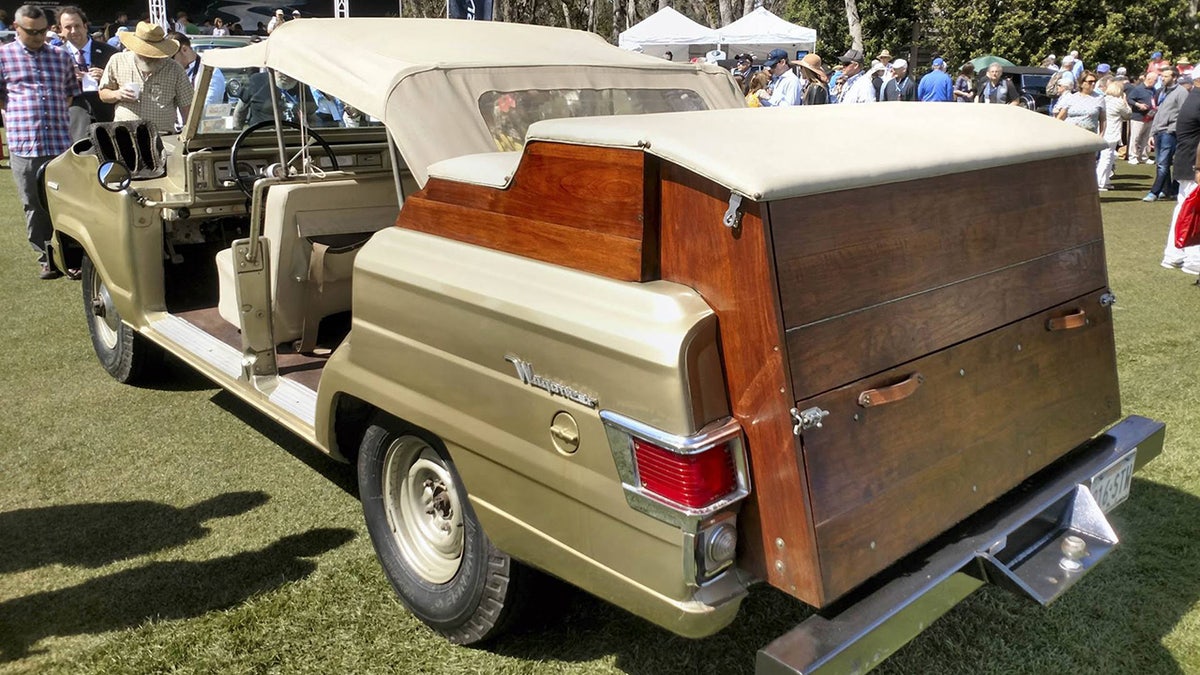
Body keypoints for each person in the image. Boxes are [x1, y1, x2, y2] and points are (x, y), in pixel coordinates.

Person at [0, 5, 81, 279]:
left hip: (59, 143)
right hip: (25, 143)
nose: (37, 36)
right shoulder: (3, 56)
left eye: (42, 31)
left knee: (65, 202)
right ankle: (46, 258)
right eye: (30, 31)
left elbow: (70, 94)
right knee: (33, 204)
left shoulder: (61, 56)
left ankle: (71, 256)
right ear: (16, 27)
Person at [98, 22, 193, 134]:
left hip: (162, 137)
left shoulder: (175, 68)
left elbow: (187, 106)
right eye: (144, 53)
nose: (149, 57)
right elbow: (103, 93)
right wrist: (118, 94)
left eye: (154, 54)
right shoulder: (117, 60)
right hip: (124, 135)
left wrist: (188, 135)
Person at [58, 6, 118, 141]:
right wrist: (67, 79)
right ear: (61, 30)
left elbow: (123, 84)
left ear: (85, 26)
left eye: (77, 26)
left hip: (108, 120)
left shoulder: (110, 52)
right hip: (73, 123)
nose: (73, 31)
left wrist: (105, 77)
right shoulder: (55, 57)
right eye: (68, 27)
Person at [1162, 82, 1200, 273]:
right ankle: (1193, 259)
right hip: (1194, 165)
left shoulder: (1193, 98)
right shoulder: (1197, 100)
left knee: (1184, 208)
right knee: (1193, 211)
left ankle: (1175, 254)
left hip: (1188, 162)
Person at [1146, 66, 1185, 201]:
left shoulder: (1181, 92)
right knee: (1161, 163)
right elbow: (1157, 112)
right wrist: (1152, 133)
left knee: (1163, 163)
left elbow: (1183, 114)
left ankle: (1154, 192)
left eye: (1166, 76)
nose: (1162, 78)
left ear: (1174, 77)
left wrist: (1173, 129)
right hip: (1159, 131)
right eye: (1162, 76)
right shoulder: (1161, 91)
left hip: (1170, 132)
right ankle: (1167, 189)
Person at [170, 32, 224, 108]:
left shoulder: (211, 72)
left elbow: (206, 106)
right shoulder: (175, 72)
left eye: (171, 58)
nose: (169, 63)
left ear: (184, 49)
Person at [1098, 80, 1131, 189]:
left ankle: (1105, 180)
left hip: (1102, 131)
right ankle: (1100, 182)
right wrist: (1125, 101)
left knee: (1109, 157)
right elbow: (1128, 114)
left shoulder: (1103, 99)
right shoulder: (1118, 102)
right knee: (1107, 158)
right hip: (1111, 132)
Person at [1127, 72, 1158, 164]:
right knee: (1135, 138)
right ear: (1149, 79)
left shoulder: (1153, 90)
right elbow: (1129, 99)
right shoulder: (1138, 89)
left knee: (1146, 138)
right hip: (1138, 117)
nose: (1156, 82)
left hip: (1150, 117)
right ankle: (1132, 156)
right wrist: (1138, 105)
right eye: (1155, 80)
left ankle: (1144, 156)